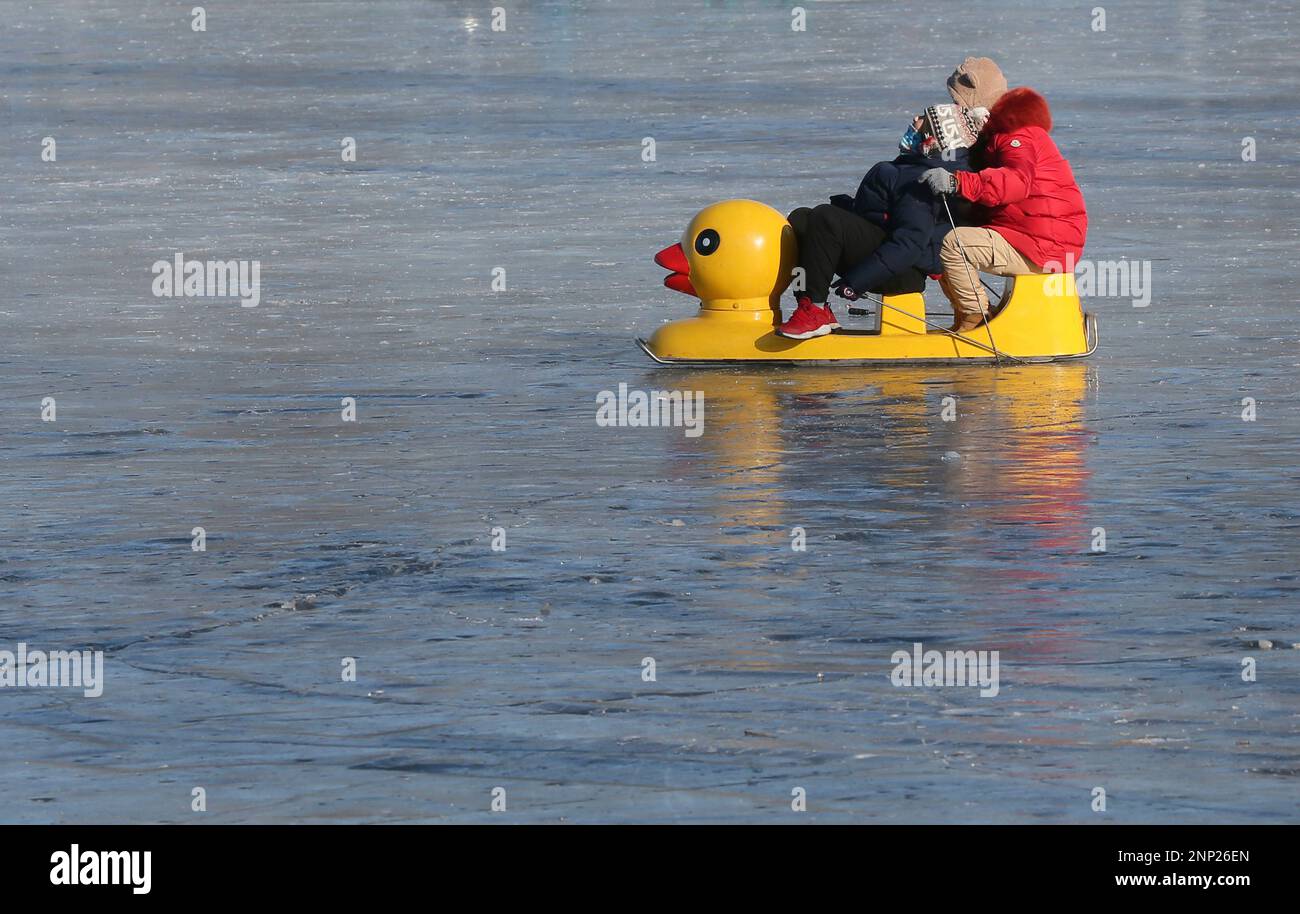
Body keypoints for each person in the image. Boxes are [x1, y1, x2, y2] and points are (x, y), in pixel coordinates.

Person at [777, 104, 989, 340]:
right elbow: (881, 219)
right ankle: (813, 307)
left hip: (900, 272)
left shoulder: (924, 179)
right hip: (886, 255)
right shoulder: (914, 165)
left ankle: (814, 311)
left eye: (922, 119)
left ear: (932, 137)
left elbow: (909, 244)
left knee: (825, 218)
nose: (914, 119)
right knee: (803, 218)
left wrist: (856, 283)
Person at [918, 87, 1087, 332]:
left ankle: (975, 316)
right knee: (939, 235)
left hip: (1045, 245)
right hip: (1032, 235)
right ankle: (968, 312)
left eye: (960, 105)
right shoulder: (1003, 137)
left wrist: (958, 182)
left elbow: (1016, 182)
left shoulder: (1018, 137)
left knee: (952, 243)